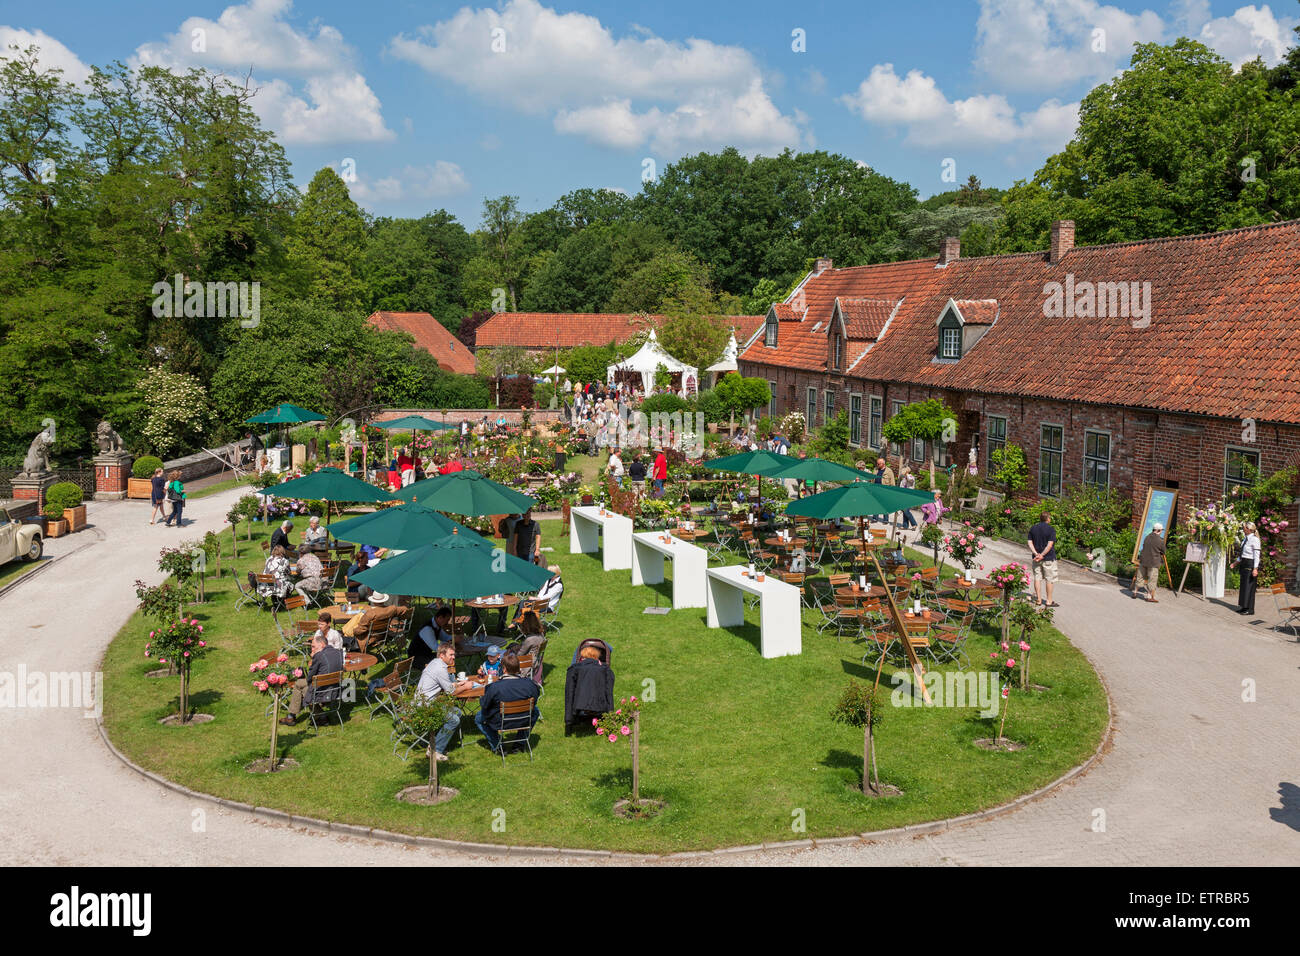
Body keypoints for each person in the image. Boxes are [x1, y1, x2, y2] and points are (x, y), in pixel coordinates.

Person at [414, 642, 475, 761]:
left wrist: (457, 684)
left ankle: (435, 742)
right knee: (454, 719)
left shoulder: (435, 663)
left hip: (427, 702)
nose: (454, 657)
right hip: (425, 706)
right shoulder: (440, 668)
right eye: (451, 655)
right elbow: (451, 692)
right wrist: (465, 687)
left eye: (454, 655)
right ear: (442, 655)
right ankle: (435, 751)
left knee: (457, 712)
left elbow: (446, 685)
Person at [476, 651, 541, 753]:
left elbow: (484, 705)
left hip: (501, 722)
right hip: (524, 719)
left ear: (504, 669)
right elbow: (534, 702)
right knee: (535, 711)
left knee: (479, 717)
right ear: (518, 668)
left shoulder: (494, 687)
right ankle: (519, 745)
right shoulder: (531, 684)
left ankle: (498, 746)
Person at [282, 632, 344, 725]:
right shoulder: (338, 653)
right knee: (302, 685)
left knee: (299, 685)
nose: (312, 649)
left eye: (313, 646)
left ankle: (294, 716)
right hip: (336, 689)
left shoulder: (319, 656)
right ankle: (293, 716)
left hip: (322, 691)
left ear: (322, 645)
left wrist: (313, 657)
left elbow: (310, 677)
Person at [564, 644, 615, 730]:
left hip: (579, 704)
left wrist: (568, 720)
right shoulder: (606, 670)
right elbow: (609, 693)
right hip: (600, 704)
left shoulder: (574, 669)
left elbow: (569, 692)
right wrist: (610, 716)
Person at [409, 605, 455, 671]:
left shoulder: (437, 625)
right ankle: (445, 677)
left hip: (426, 655)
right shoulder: (427, 629)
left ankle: (447, 676)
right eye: (447, 620)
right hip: (416, 659)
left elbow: (444, 637)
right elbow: (435, 647)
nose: (447, 623)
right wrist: (448, 646)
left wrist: (454, 638)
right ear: (440, 618)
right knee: (445, 659)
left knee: (448, 657)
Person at [1027, 511, 1059, 607]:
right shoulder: (1051, 529)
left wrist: (1036, 554)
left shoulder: (1033, 528)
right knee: (1049, 579)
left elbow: (1029, 542)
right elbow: (1050, 545)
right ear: (1048, 519)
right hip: (1048, 558)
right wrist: (1042, 555)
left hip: (1036, 558)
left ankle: (1039, 600)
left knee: (1037, 577)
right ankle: (1049, 601)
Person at [1135, 521, 1166, 603]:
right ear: (1159, 530)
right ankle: (1150, 597)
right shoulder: (1160, 540)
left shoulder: (1147, 537)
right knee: (1151, 579)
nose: (1161, 532)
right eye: (1161, 530)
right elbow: (1163, 551)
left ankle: (1135, 592)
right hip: (1153, 562)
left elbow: (1144, 546)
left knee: (1140, 576)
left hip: (1143, 560)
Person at [1237, 521, 1261, 615]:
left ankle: (1250, 609)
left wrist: (1255, 568)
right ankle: (1243, 607)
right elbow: (1243, 553)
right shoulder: (1245, 539)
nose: (1243, 529)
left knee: (1249, 587)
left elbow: (1256, 555)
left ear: (1249, 529)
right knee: (1243, 586)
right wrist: (1235, 563)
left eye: (1244, 528)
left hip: (1250, 564)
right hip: (1244, 563)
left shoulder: (1255, 539)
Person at [898, 466, 918, 530]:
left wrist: (907, 474)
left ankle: (914, 524)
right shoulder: (903, 479)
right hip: (903, 496)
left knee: (906, 510)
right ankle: (905, 525)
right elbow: (901, 487)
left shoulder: (911, 477)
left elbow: (910, 480)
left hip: (909, 496)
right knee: (904, 510)